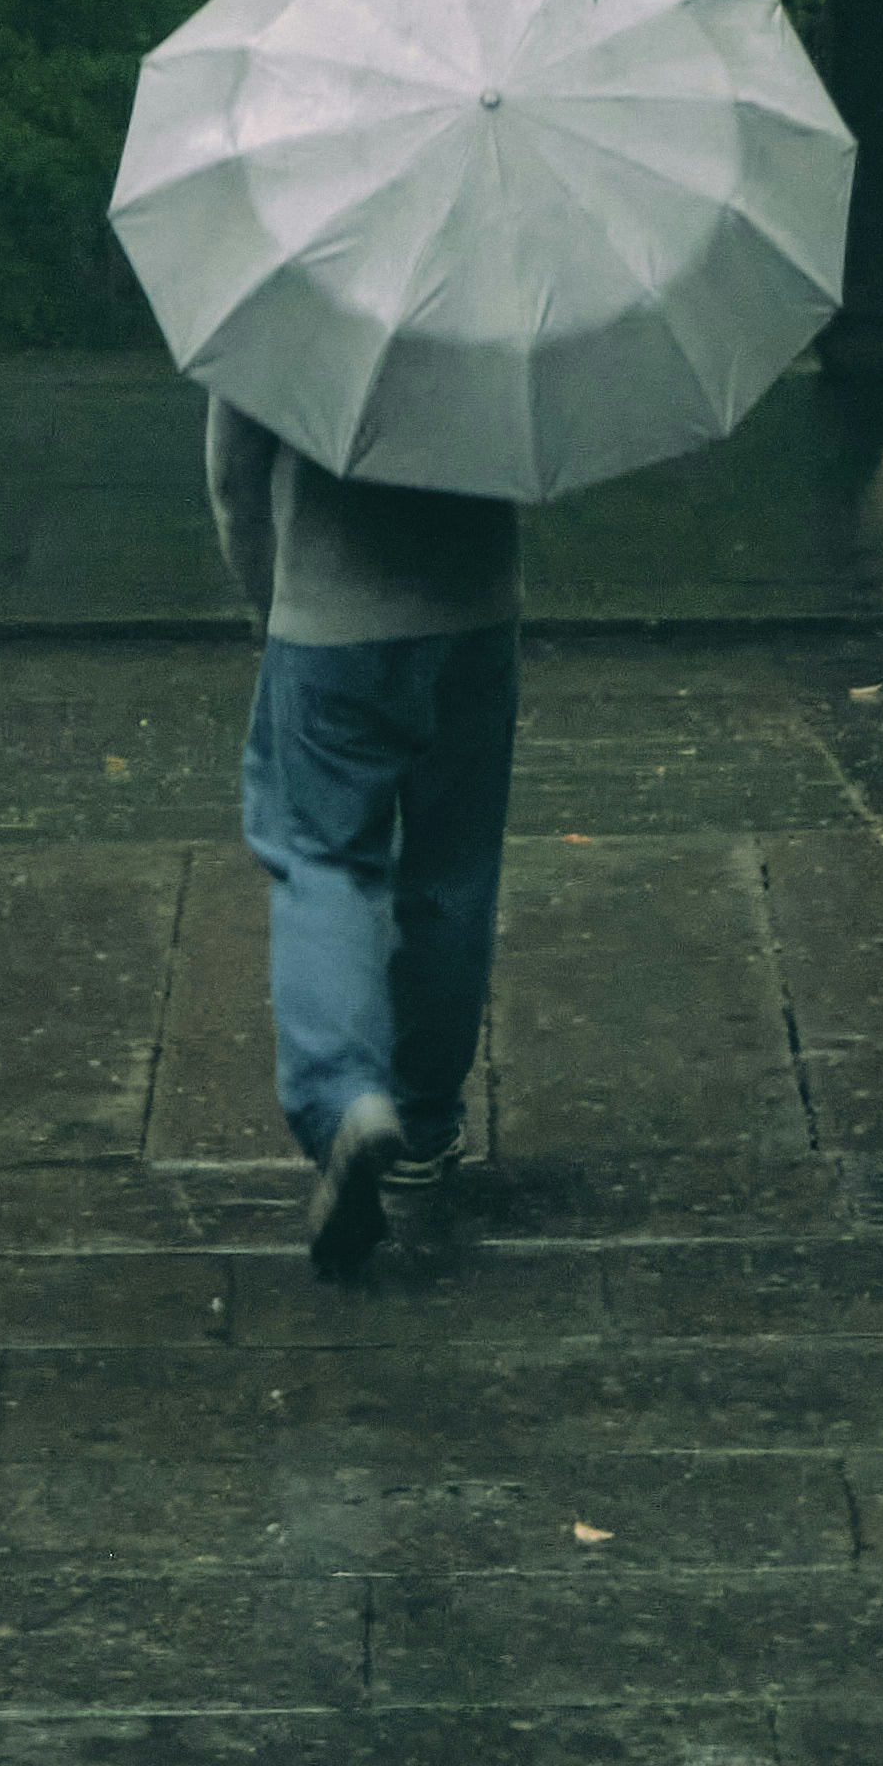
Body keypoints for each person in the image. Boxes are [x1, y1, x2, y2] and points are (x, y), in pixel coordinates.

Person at [205, 384, 521, 1277]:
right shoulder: (504, 289)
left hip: (329, 622)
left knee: (320, 857)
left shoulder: (299, 286)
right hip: (476, 613)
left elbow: (235, 482)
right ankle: (424, 1120)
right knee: (454, 870)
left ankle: (344, 1094)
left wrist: (268, 607)